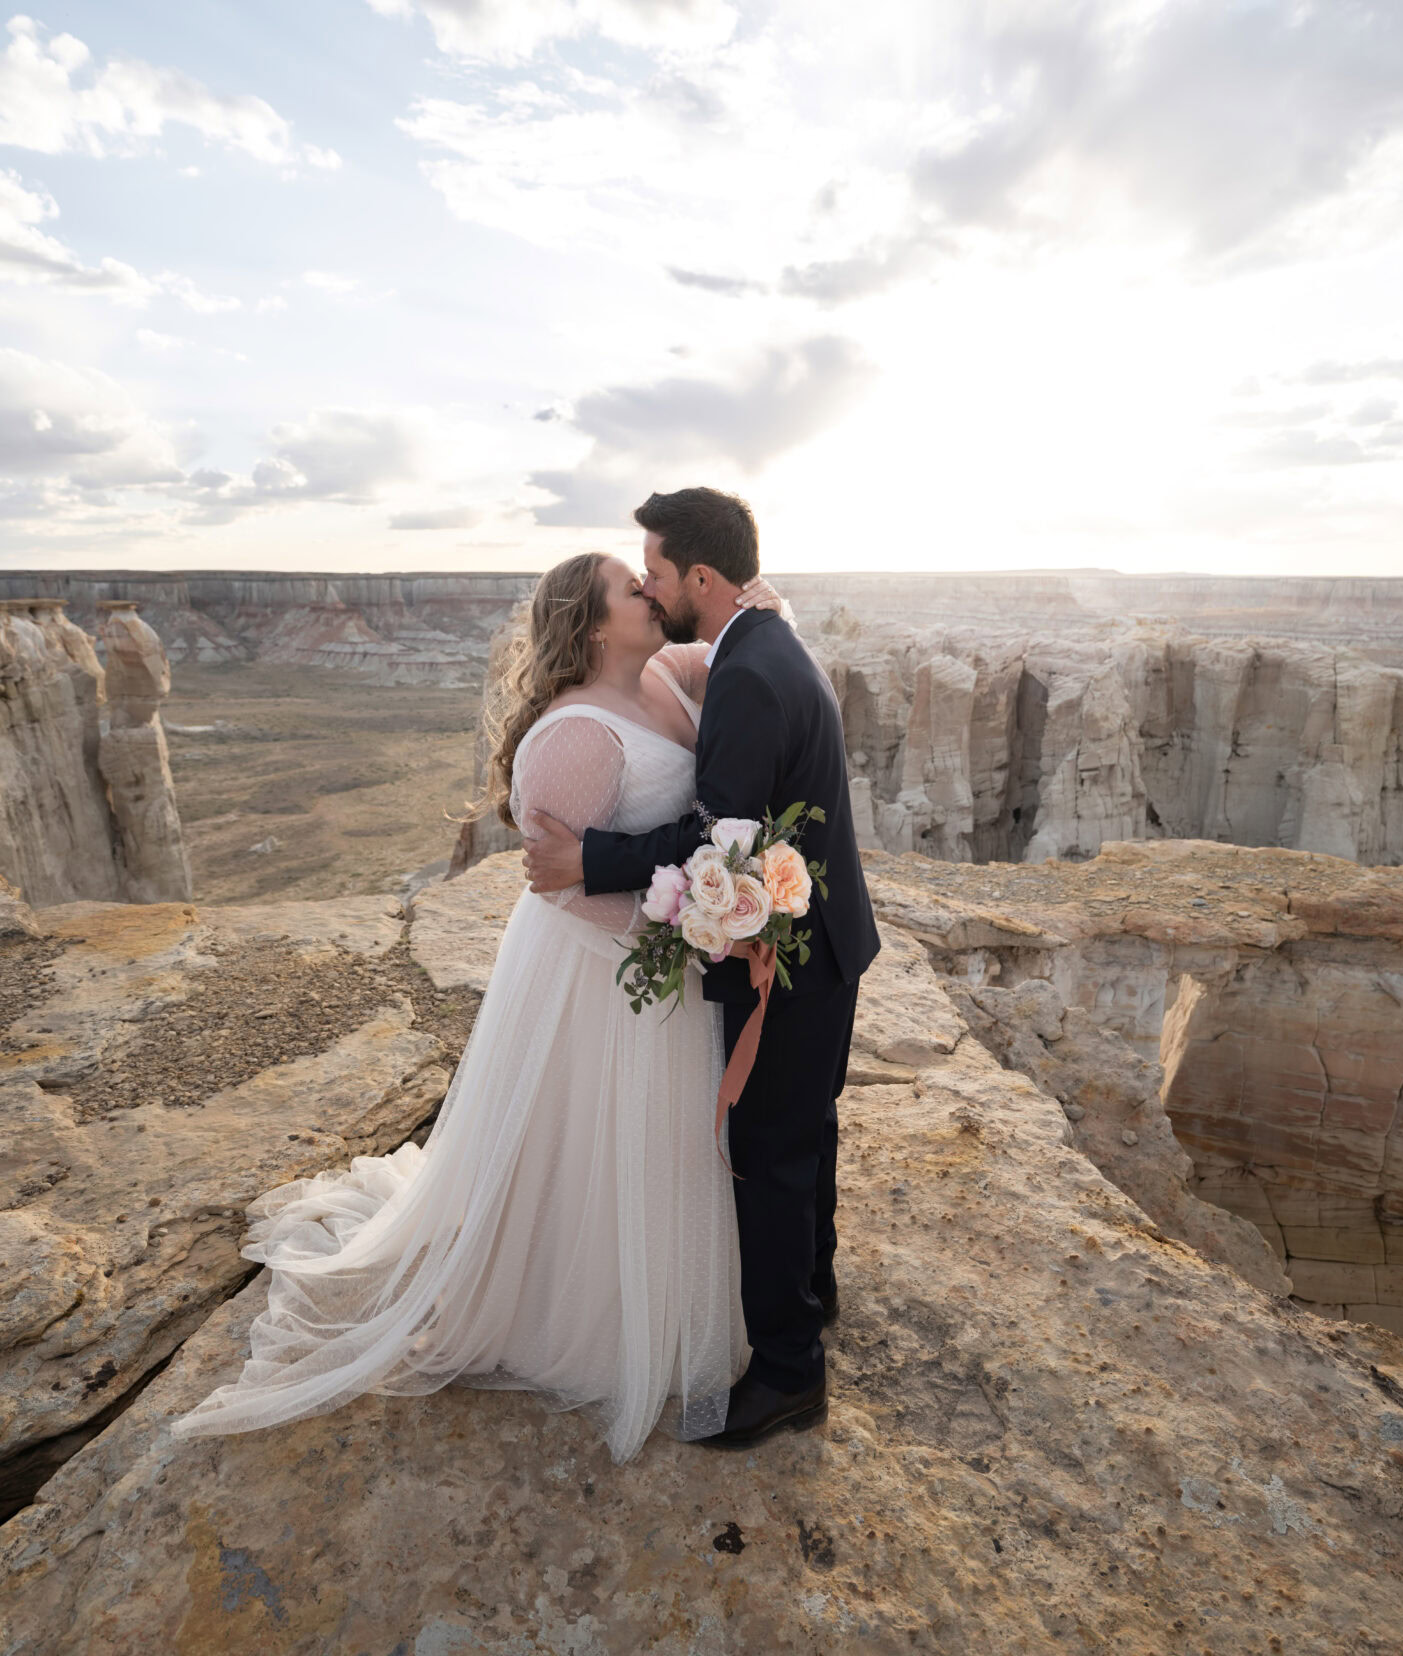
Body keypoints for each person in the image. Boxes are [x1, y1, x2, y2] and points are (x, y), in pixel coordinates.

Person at [174, 553, 784, 1462]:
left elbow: (744, 631)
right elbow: (559, 885)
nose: (652, 596)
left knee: (664, 1147)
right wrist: (687, 941)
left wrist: (751, 593)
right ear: (590, 626)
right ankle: (571, 1309)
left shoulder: (664, 671)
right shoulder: (572, 738)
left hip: (665, 965)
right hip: (607, 976)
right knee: (597, 1147)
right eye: (633, 589)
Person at [525, 487, 880, 1449]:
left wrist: (588, 862)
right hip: (828, 943)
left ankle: (789, 1374)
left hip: (794, 961)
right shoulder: (756, 643)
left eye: (657, 571)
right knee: (806, 1131)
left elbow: (716, 843)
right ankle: (817, 1290)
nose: (648, 583)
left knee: (769, 1155)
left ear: (703, 580)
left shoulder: (749, 677)